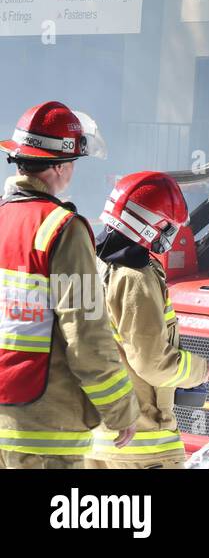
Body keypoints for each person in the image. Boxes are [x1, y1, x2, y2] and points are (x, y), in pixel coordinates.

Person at [0, 101, 139, 468]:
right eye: (74, 162)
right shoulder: (63, 229)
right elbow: (87, 334)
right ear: (59, 167)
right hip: (45, 433)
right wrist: (120, 407)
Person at [85, 171, 209, 469]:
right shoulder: (135, 279)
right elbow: (153, 363)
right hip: (141, 446)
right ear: (150, 225)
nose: (167, 238)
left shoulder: (87, 263)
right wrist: (200, 371)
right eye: (167, 229)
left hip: (93, 439)